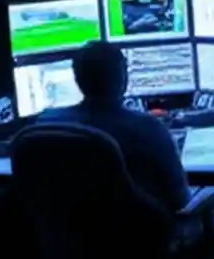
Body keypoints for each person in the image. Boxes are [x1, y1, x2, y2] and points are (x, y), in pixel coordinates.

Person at [34, 41, 190, 212]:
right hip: (139, 227)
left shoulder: (47, 124)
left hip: (68, 227)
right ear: (123, 79)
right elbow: (180, 199)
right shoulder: (149, 129)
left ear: (77, 79)